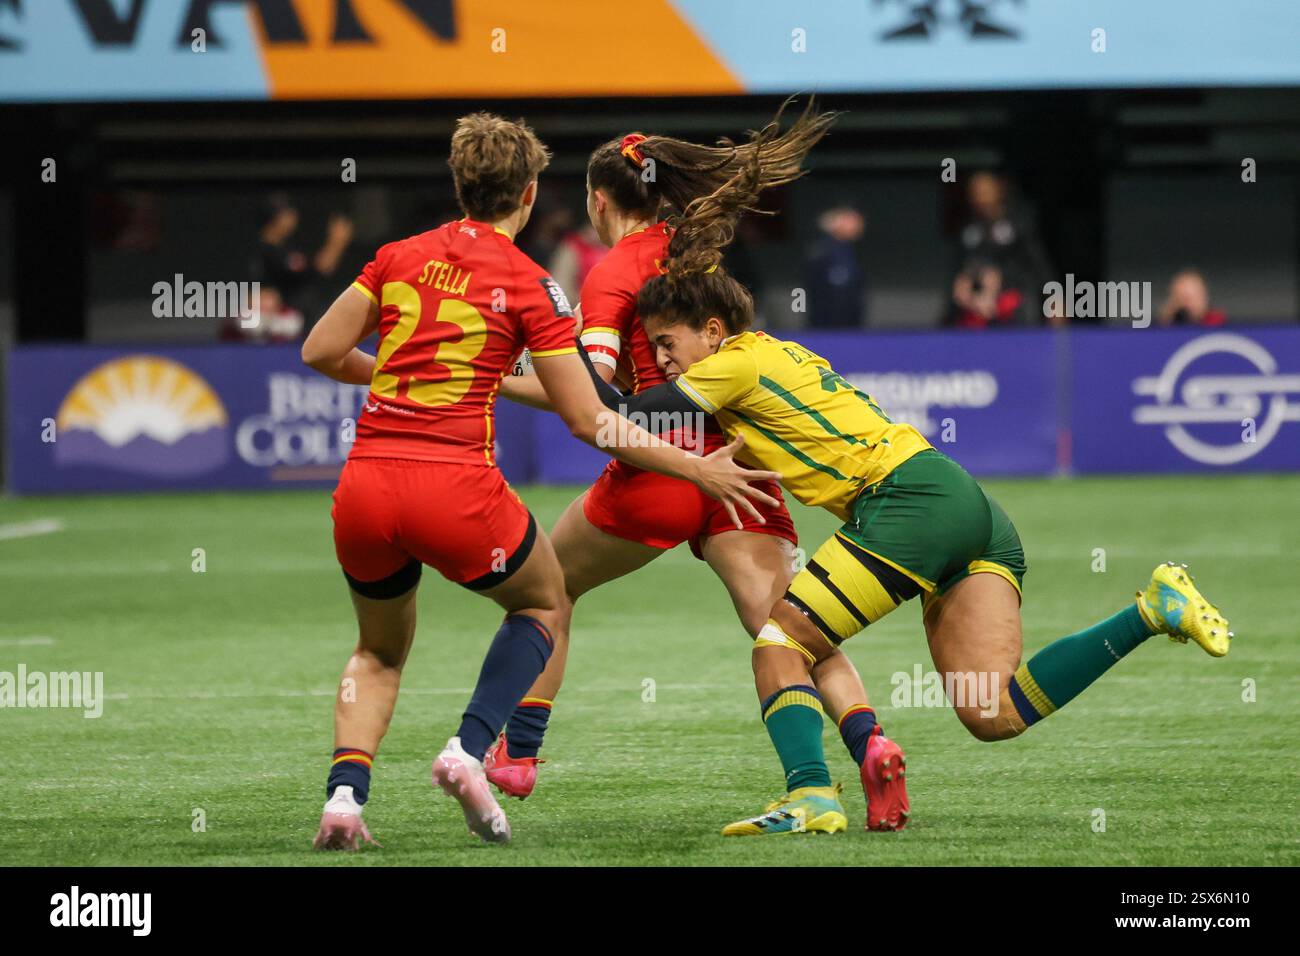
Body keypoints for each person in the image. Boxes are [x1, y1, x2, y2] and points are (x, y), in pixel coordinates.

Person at [585, 149, 1234, 836]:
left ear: (713, 330)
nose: (658, 359)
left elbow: (622, 415)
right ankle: (1152, 609)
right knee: (994, 711)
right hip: (966, 506)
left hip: (908, 502)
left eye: (665, 343)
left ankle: (810, 794)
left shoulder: (732, 363)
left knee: (779, 641)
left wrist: (521, 365)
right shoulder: (775, 353)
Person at [300, 112, 778, 849]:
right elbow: (590, 419)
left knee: (378, 652)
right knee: (545, 599)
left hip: (364, 489)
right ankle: (471, 750)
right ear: (528, 194)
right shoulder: (532, 285)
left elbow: (321, 350)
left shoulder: (396, 256)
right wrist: (692, 465)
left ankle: (343, 801)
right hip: (452, 488)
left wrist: (412, 380)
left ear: (461, 182)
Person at [491, 104, 905, 832]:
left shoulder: (611, 270)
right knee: (791, 629)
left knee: (547, 589)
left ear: (597, 200)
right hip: (740, 468)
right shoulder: (696, 249)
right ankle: (868, 742)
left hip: (660, 475)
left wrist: (495, 378)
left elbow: (593, 398)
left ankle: (518, 755)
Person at [254, 193, 354, 319]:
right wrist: (336, 242)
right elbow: (321, 269)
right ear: (274, 219)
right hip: (280, 325)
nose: (292, 215)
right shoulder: (266, 251)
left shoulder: (286, 247)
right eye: (285, 213)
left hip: (302, 319)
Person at [1156, 268, 1227, 327]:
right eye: (1181, 298)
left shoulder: (1217, 323)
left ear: (1204, 297)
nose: (1187, 303)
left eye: (1191, 297)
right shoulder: (1167, 325)